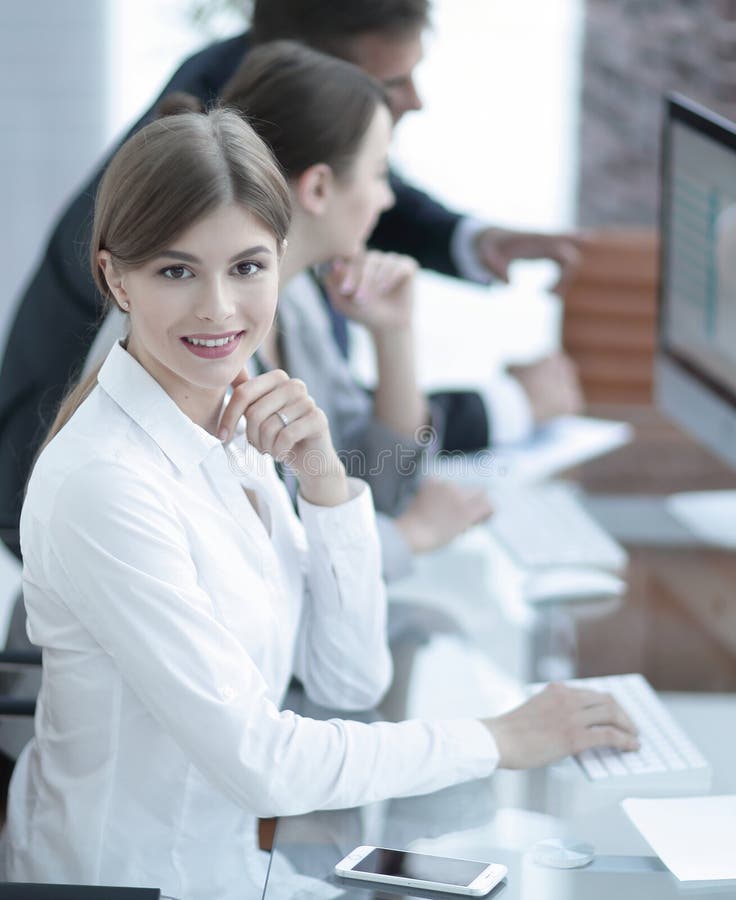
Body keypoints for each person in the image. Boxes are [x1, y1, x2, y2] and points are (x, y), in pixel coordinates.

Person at [5, 107, 638, 897]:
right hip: (133, 882)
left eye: (246, 267)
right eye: (177, 271)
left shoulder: (230, 418)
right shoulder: (106, 483)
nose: (218, 310)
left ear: (279, 259)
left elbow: (348, 679)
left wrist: (327, 487)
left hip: (227, 867)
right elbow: (262, 765)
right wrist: (499, 738)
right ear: (115, 278)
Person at [0, 0, 582, 559]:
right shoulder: (204, 330)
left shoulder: (288, 287)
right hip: (67, 510)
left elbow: (365, 480)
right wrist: (410, 537)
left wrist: (395, 335)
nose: (385, 197)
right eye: (380, 168)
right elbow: (278, 573)